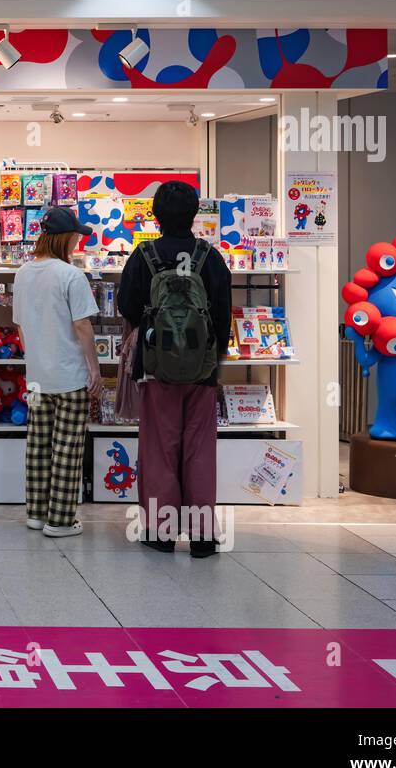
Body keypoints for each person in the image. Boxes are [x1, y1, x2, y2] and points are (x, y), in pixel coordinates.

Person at [117, 180, 232, 557]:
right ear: (195, 214)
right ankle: (202, 537)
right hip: (202, 368)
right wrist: (214, 358)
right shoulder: (209, 257)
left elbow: (128, 306)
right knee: (200, 448)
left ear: (155, 214)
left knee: (159, 447)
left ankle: (161, 532)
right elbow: (222, 312)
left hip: (156, 365)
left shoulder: (144, 255)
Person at [12, 206, 101, 538]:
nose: (78, 242)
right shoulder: (71, 275)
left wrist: (35, 358)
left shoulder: (22, 273)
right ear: (66, 238)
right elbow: (82, 326)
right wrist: (93, 369)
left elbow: (20, 327)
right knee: (67, 447)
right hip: (69, 377)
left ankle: (36, 513)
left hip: (36, 376)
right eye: (76, 236)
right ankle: (61, 521)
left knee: (37, 444)